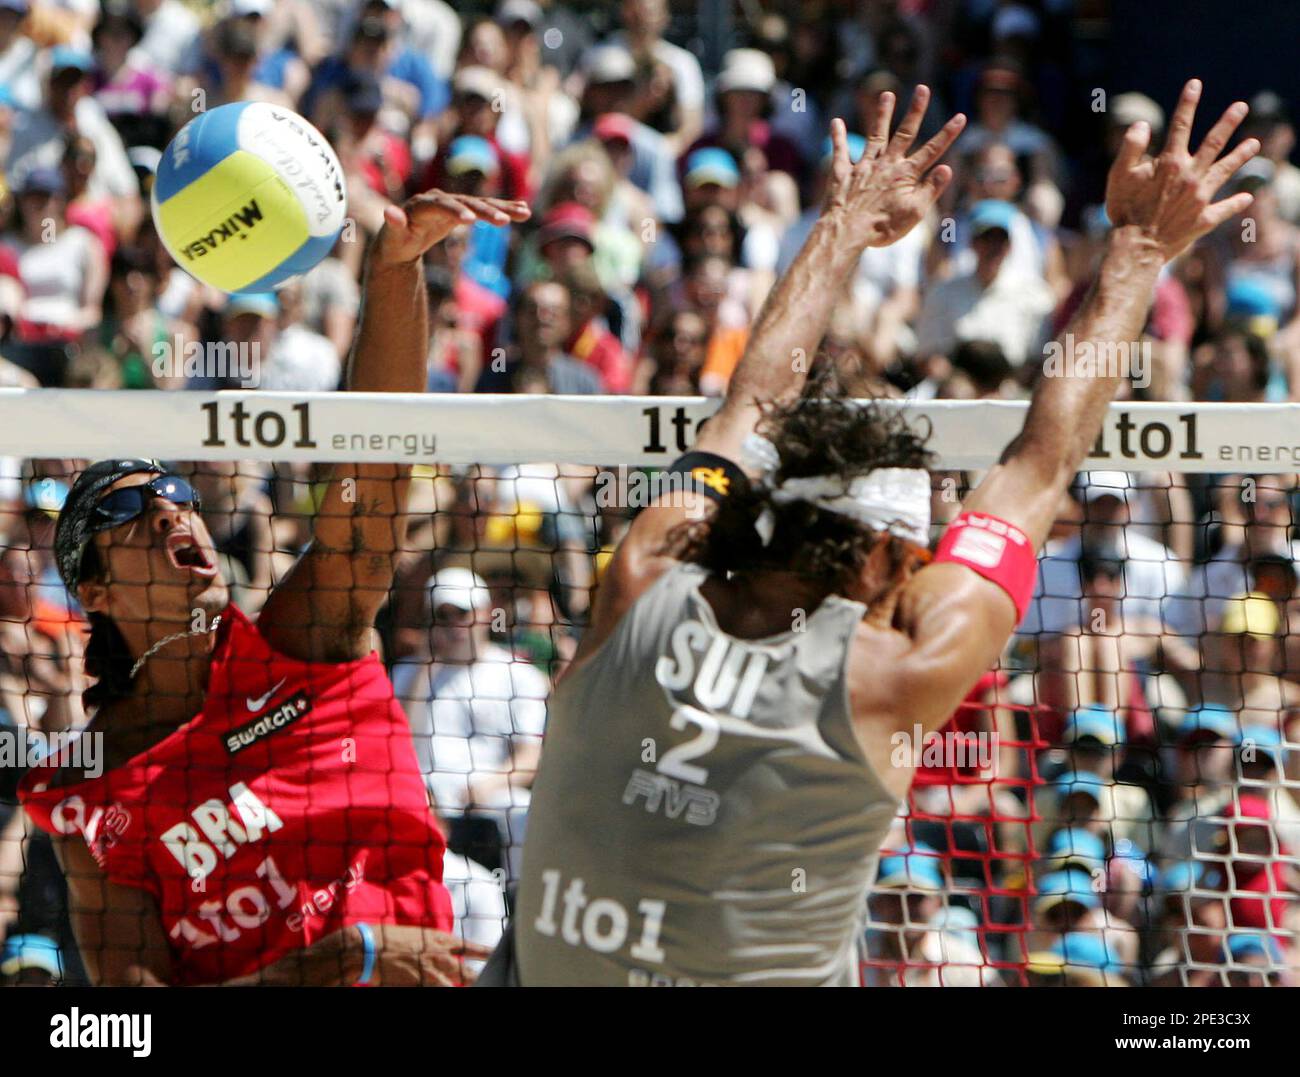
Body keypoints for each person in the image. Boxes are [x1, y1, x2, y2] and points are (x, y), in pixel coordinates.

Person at [478, 80, 1259, 987]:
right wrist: (1138, 249)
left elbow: (753, 401)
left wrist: (843, 225)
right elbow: (1041, 462)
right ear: (886, 552)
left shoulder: (645, 573)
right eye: (918, 549)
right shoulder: (896, 673)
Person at [15, 187, 531, 986]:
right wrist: (322, 966)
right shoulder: (90, 797)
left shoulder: (304, 637)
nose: (168, 513)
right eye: (129, 510)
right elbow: (126, 1026)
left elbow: (374, 476)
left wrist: (395, 270)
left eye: (178, 496)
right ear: (95, 590)